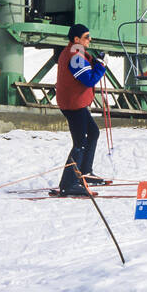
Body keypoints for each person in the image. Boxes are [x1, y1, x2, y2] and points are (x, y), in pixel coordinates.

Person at [55, 23, 108, 196]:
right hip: (73, 104)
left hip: (75, 102)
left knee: (93, 132)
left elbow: (86, 68)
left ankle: (85, 173)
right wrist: (101, 67)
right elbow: (88, 80)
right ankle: (68, 184)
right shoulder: (74, 55)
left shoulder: (76, 51)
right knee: (80, 143)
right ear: (77, 39)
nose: (90, 39)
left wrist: (96, 61)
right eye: (86, 37)